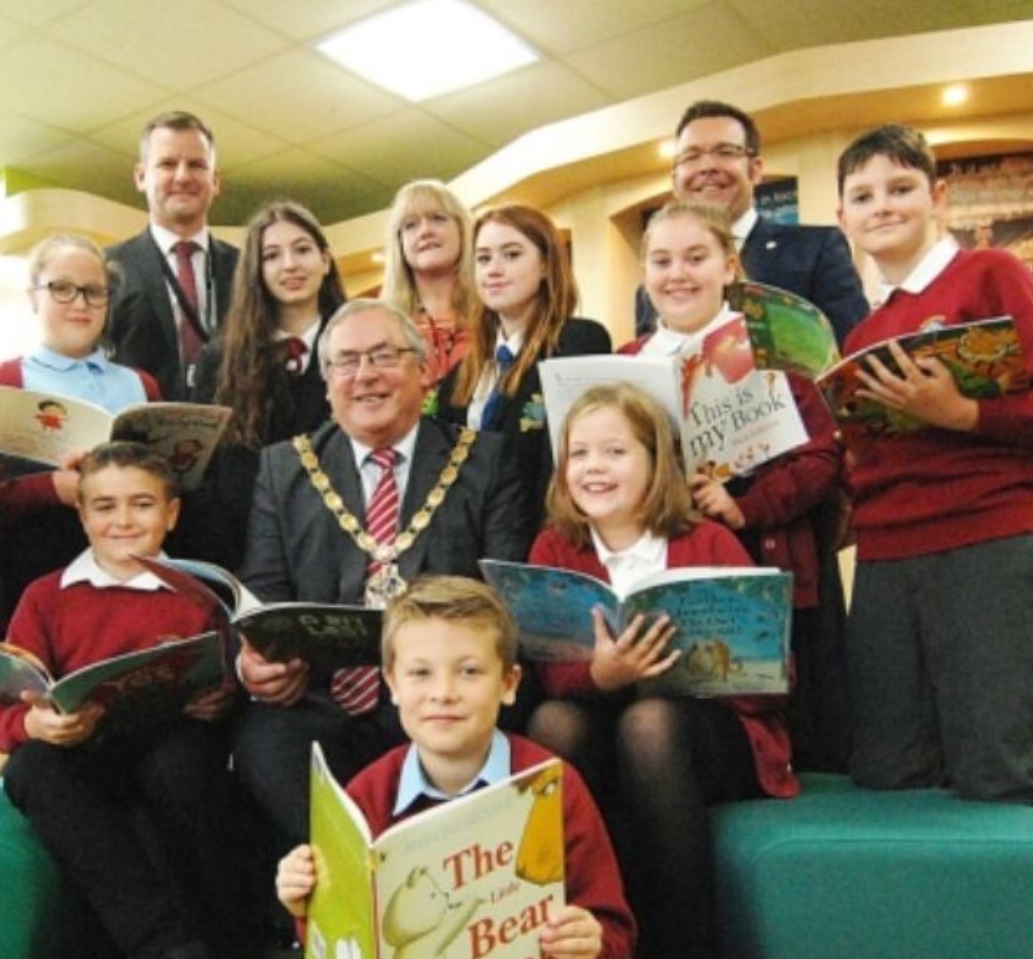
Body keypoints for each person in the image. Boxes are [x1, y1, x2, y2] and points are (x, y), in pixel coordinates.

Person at [234, 575, 645, 959]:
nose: (443, 694)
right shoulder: (368, 792)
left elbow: (615, 938)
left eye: (469, 673)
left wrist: (591, 943)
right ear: (393, 685)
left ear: (508, 685)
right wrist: (304, 905)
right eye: (421, 674)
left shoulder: (553, 785)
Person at [524, 383, 797, 959]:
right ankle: (566, 954)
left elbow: (776, 671)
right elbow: (552, 675)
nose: (594, 467)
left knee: (651, 725)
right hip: (601, 723)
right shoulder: (558, 544)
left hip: (708, 734)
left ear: (656, 461)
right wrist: (606, 675)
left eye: (615, 451)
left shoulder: (707, 539)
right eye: (579, 453)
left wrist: (683, 666)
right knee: (552, 724)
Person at [0, 442, 262, 959]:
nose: (123, 521)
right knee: (27, 768)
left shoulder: (201, 595)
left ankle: (216, 945)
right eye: (104, 506)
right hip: (85, 753)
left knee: (176, 763)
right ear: (81, 517)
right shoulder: (46, 596)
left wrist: (223, 697)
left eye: (141, 505)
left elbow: (237, 681)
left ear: (172, 514)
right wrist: (33, 723)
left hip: (177, 749)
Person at [231, 298, 531, 851]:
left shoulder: (485, 460)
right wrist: (258, 662)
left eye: (382, 356)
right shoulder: (284, 467)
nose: (364, 376)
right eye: (346, 362)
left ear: (423, 371)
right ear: (326, 385)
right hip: (322, 697)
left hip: (439, 691)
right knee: (265, 742)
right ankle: (356, 893)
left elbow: (504, 598)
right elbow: (263, 596)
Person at [834, 124, 1033, 801]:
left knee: (997, 763)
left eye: (900, 188)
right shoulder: (861, 334)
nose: (881, 206)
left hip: (987, 539)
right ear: (842, 218)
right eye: (862, 196)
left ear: (938, 196)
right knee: (891, 769)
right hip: (886, 557)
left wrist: (965, 415)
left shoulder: (992, 274)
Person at [624, 200, 850, 770]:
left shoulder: (773, 347)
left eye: (696, 257)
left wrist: (745, 507)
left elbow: (822, 458)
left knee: (795, 741)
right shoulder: (626, 361)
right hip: (661, 572)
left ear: (729, 265)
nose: (677, 274)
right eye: (661, 260)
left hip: (763, 565)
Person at [0, 232, 159, 637]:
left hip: (129, 571)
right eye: (62, 289)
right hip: (31, 570)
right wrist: (52, 487)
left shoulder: (143, 386)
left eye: (93, 291)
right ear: (34, 297)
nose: (81, 303)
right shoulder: (6, 380)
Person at [173, 201, 347, 573]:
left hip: (344, 550)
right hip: (245, 555)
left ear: (326, 260)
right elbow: (204, 474)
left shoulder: (359, 347)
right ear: (256, 270)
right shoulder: (220, 360)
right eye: (272, 255)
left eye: (302, 249)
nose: (290, 264)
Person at [634, 100, 868, 344]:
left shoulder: (816, 249)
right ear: (674, 180)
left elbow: (853, 353)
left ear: (755, 170)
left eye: (725, 152)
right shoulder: (655, 287)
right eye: (691, 156)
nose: (707, 166)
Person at [440, 204, 611, 532]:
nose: (494, 269)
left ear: (546, 264)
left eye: (511, 254)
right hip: (475, 538)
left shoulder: (576, 342)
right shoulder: (462, 374)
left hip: (548, 534)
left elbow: (561, 457)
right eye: (484, 258)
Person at [107, 111, 238, 402]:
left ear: (215, 181)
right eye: (167, 164)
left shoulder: (248, 270)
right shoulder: (107, 269)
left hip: (234, 438)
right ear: (141, 177)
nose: (182, 176)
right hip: (134, 440)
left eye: (196, 165)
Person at [381, 179, 474, 387]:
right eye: (410, 225)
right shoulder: (382, 326)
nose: (425, 232)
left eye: (438, 218)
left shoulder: (495, 314)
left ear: (462, 230)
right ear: (400, 243)